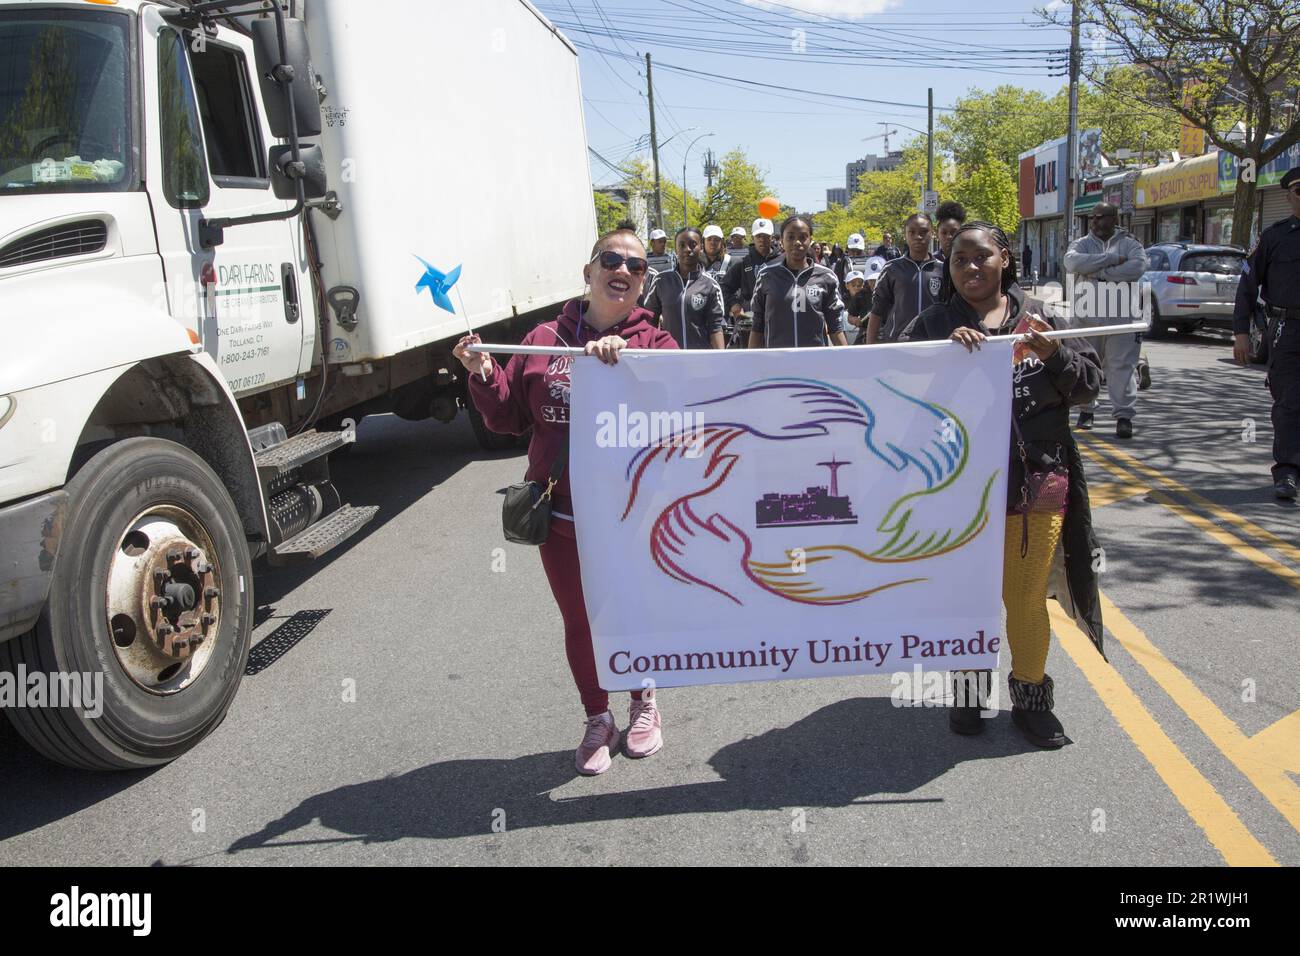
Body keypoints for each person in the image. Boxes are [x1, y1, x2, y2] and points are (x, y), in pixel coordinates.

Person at [453, 227, 678, 775]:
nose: (622, 269)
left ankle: (643, 701)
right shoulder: (544, 337)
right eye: (611, 259)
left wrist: (628, 368)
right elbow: (507, 417)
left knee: (632, 616)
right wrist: (482, 374)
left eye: (637, 266)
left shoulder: (657, 344)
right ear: (589, 271)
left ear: (645, 282)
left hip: (632, 516)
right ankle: (597, 717)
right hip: (562, 517)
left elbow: (677, 420)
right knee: (580, 621)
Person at [904, 221, 1104, 748]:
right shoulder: (932, 324)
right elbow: (896, 392)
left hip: (1037, 478)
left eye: (980, 257)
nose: (970, 268)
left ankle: (1032, 701)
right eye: (958, 260)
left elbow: (1089, 386)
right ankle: (969, 693)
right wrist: (941, 360)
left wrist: (1050, 354)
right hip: (959, 484)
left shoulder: (1045, 318)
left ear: (1005, 260)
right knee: (969, 598)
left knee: (1025, 595)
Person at [1233, 165, 1300, 500]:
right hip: (1288, 329)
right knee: (1289, 402)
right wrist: (1241, 332)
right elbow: (1247, 286)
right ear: (1289, 196)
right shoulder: (1274, 237)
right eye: (1299, 191)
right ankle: (1287, 471)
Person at [1062, 202, 1149, 438]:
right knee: (1087, 364)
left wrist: (1097, 271)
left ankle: (1123, 416)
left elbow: (1136, 268)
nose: (1095, 222)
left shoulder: (1130, 243)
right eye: (1093, 217)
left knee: (1122, 366)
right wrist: (1110, 259)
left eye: (1100, 217)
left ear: (1113, 218)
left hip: (1122, 317)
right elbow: (1071, 262)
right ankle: (1087, 410)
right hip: (1087, 316)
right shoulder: (1082, 243)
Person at [749, 215, 850, 348]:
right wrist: (751, 364)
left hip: (814, 363)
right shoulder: (766, 275)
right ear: (782, 241)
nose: (797, 242)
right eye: (790, 237)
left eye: (802, 237)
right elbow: (757, 327)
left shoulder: (827, 277)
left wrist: (849, 362)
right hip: (776, 363)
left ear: (810, 240)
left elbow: (835, 327)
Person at [863, 213, 943, 344]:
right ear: (905, 235)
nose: (918, 237)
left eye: (923, 232)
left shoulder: (943, 270)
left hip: (934, 343)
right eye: (912, 232)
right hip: (898, 343)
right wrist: (870, 349)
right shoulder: (891, 268)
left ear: (932, 233)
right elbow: (877, 311)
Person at [643, 226, 727, 350]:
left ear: (701, 247)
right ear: (676, 249)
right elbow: (650, 322)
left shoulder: (710, 285)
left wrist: (721, 361)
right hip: (669, 357)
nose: (687, 249)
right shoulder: (661, 281)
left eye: (693, 244)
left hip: (700, 359)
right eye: (682, 245)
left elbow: (715, 328)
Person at [721, 217, 781, 348]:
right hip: (750, 323)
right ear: (753, 238)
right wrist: (734, 306)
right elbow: (724, 286)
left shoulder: (782, 261)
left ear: (771, 237)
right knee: (751, 363)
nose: (762, 239)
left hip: (779, 321)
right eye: (758, 235)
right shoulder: (744, 263)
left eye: (765, 236)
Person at [842, 269, 872, 344]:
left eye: (860, 284)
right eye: (853, 284)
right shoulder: (841, 302)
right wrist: (853, 319)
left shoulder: (868, 298)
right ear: (846, 285)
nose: (856, 287)